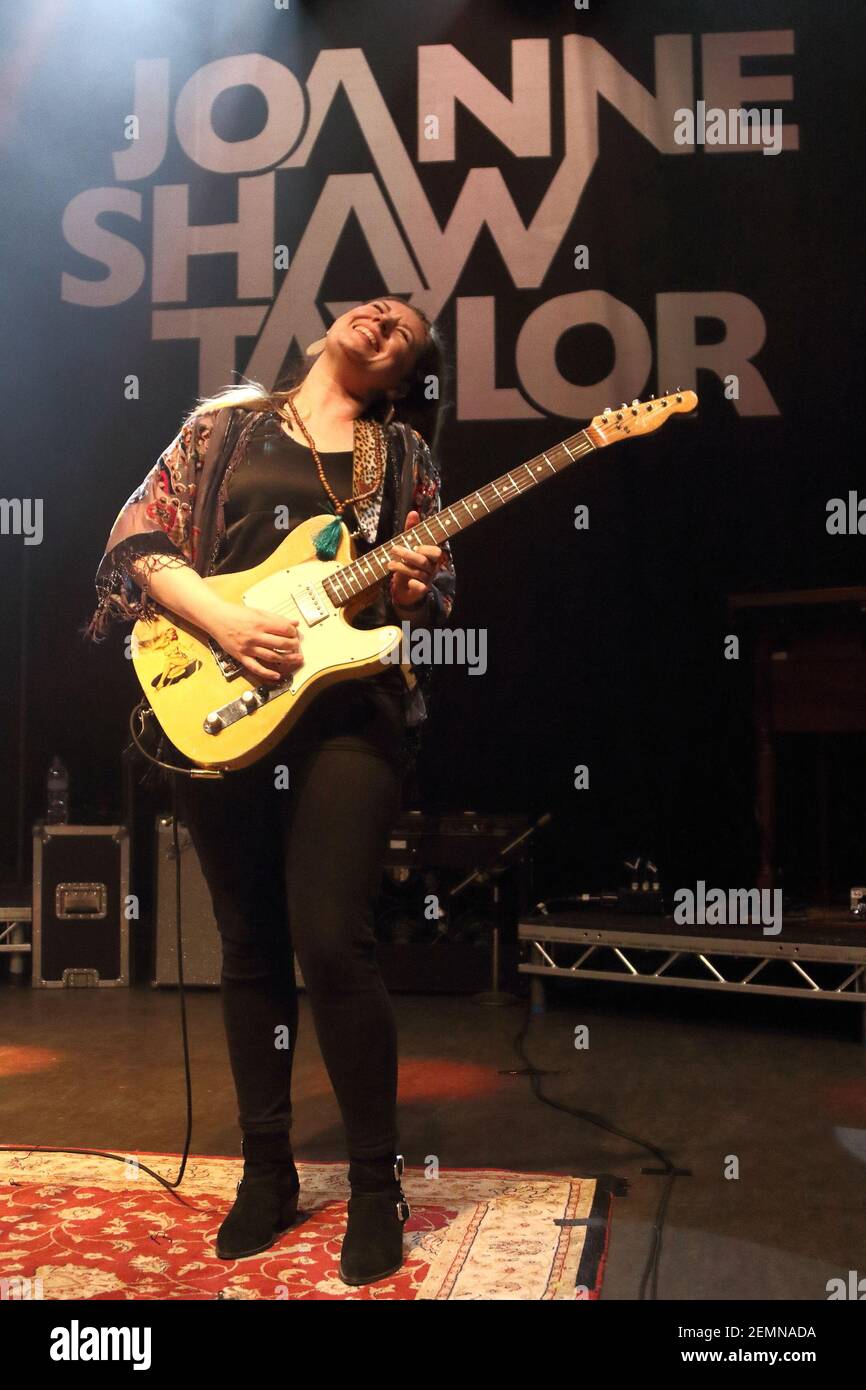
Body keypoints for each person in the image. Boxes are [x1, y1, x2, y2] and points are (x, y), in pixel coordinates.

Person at [85, 298, 456, 1286]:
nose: (384, 318)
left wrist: (414, 587)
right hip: (227, 690)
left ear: (401, 376)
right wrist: (224, 621)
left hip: (348, 711)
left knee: (330, 935)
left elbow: (431, 581)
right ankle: (267, 1171)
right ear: (333, 324)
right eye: (376, 304)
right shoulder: (225, 427)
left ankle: (376, 1187)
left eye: (405, 332)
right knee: (247, 940)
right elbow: (140, 534)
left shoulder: (401, 458)